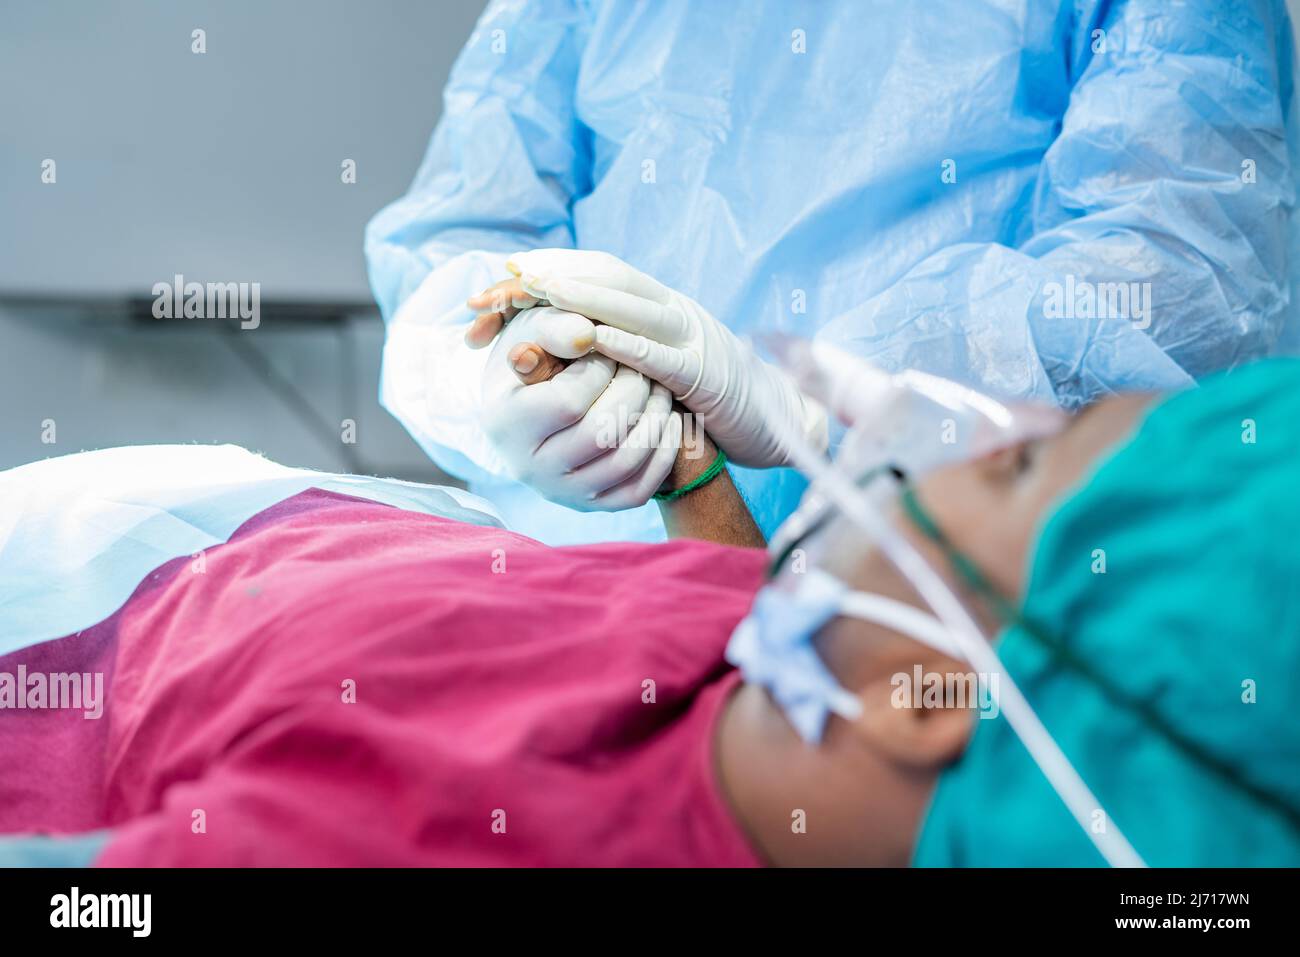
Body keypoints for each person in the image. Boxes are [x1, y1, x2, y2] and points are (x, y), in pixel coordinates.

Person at [2, 352, 1296, 866]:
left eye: (1013, 462)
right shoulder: (794, 671)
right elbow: (735, 606)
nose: (979, 423)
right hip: (246, 531)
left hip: (71, 631)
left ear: (921, 703)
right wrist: (688, 475)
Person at [365, 0, 1298, 545]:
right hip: (575, 578)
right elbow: (459, 230)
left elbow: (1177, 276)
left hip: (941, 600)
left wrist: (836, 403)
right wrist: (490, 372)